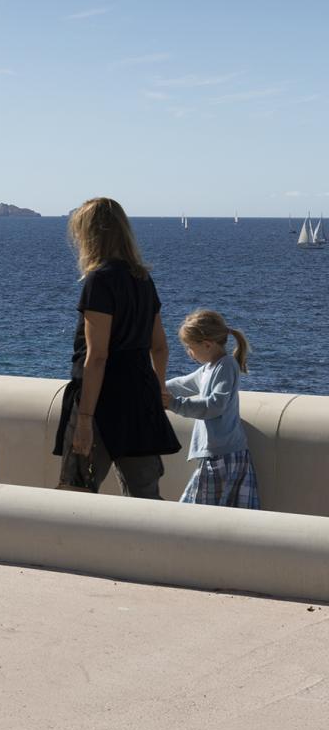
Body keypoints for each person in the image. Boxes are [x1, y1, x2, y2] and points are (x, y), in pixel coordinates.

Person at [54, 197, 180, 497]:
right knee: (145, 497)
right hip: (139, 399)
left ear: (89, 236)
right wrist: (159, 388)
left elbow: (97, 356)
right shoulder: (143, 279)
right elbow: (160, 347)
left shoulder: (100, 280)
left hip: (100, 400)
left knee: (75, 492)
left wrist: (84, 420)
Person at [164, 309, 259, 508]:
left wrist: (173, 404)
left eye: (190, 347)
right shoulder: (210, 367)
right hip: (218, 454)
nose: (189, 353)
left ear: (207, 344)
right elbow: (182, 384)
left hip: (224, 457)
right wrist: (155, 387)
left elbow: (214, 406)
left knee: (199, 513)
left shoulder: (226, 366)